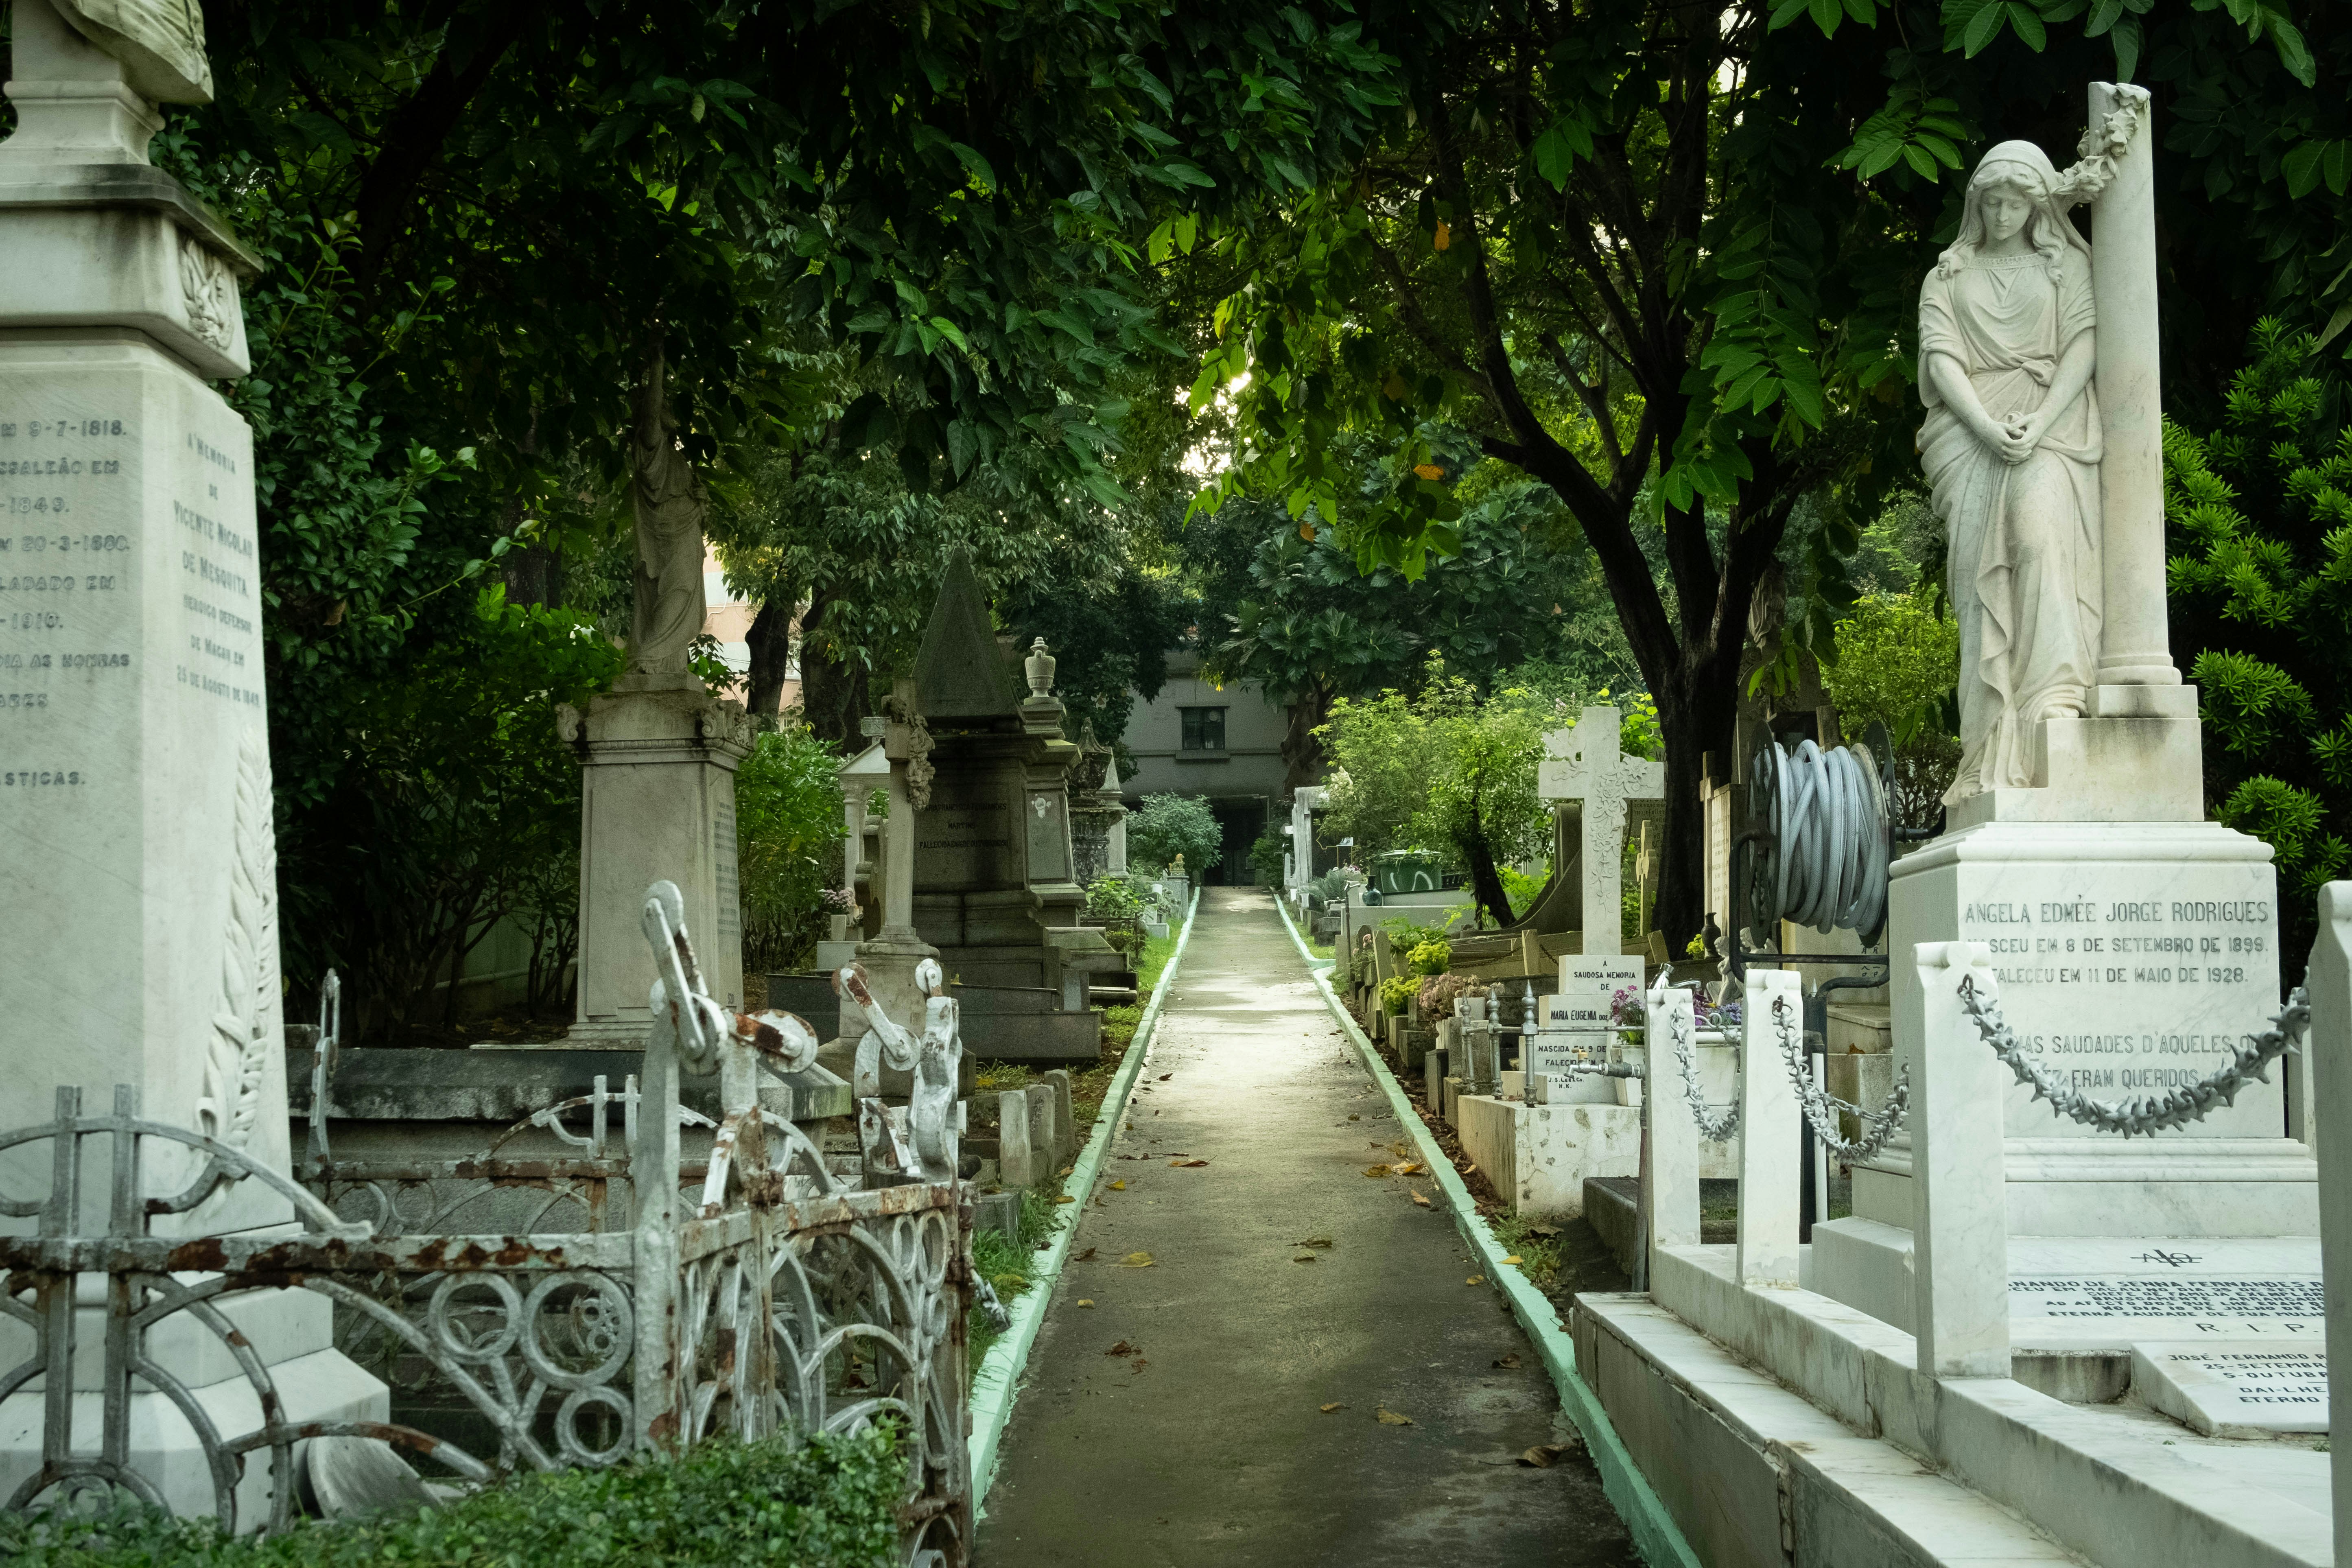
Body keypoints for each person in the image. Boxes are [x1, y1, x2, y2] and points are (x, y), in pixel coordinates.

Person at [1919, 140, 2102, 803]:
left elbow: (2084, 344)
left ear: (2037, 206)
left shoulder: (2065, 268)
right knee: (1977, 589)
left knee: (2040, 534)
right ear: (1976, 203)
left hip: (2050, 424)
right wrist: (1985, 426)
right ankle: (1987, 739)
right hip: (1970, 435)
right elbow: (1942, 360)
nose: (2001, 214)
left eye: (2015, 203)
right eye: (1991, 201)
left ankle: (2053, 696)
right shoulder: (1947, 275)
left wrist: (2042, 420)